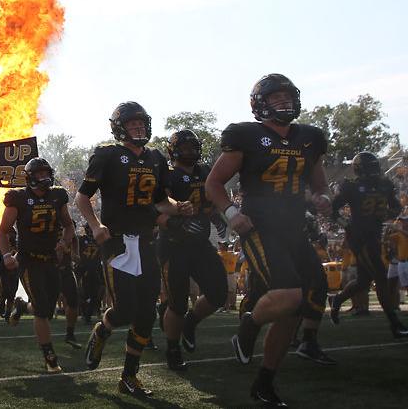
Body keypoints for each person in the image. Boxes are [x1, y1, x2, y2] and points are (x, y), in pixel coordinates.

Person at [205, 74, 333, 408]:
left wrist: (323, 197)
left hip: (294, 228)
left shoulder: (309, 138)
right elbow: (214, 183)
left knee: (295, 306)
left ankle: (264, 384)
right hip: (259, 227)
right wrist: (231, 213)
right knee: (289, 294)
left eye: (287, 97)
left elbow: (320, 184)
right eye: (276, 98)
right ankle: (249, 325)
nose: (284, 102)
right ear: (260, 104)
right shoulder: (246, 135)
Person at [76, 102, 193, 397]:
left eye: (142, 123)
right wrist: (95, 225)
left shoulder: (155, 158)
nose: (139, 128)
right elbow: (82, 198)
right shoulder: (107, 154)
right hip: (116, 241)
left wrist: (179, 207)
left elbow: (161, 201)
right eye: (132, 124)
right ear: (120, 128)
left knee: (147, 314)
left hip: (145, 242)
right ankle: (102, 330)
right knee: (125, 309)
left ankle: (129, 376)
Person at [156, 130, 229, 372]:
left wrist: (217, 216)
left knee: (218, 293)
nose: (190, 152)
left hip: (199, 245)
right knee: (177, 304)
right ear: (174, 151)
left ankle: (191, 322)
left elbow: (210, 201)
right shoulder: (167, 174)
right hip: (173, 245)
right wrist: (175, 223)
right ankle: (173, 349)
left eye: (193, 147)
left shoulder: (205, 171)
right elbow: (155, 209)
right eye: (185, 148)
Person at [0, 157, 76, 373]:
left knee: (47, 309)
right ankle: (49, 355)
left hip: (51, 259)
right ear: (30, 177)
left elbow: (69, 225)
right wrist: (6, 255)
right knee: (42, 310)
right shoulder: (19, 198)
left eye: (46, 173)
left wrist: (64, 242)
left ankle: (23, 307)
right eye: (39, 174)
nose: (44, 177)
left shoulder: (58, 195)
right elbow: (2, 231)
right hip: (28, 260)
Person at [329, 152, 408, 336]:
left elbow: (396, 207)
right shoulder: (352, 187)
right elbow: (333, 209)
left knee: (363, 281)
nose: (373, 171)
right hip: (359, 237)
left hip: (374, 236)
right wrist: (346, 224)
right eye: (370, 167)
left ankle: (337, 299)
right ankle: (394, 323)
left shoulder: (385, 185)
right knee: (380, 275)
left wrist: (386, 215)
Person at [55, 229, 81, 348]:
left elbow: (77, 259)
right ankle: (23, 306)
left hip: (67, 270)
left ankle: (70, 333)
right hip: (51, 270)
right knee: (44, 307)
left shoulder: (70, 232)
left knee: (74, 302)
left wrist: (71, 252)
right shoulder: (48, 229)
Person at [0, 228, 19, 322]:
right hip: (4, 271)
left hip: (15, 272)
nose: (12, 236)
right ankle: (2, 304)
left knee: (12, 293)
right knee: (5, 291)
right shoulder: (1, 243)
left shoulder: (17, 244)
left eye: (13, 234)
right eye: (10, 234)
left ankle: (8, 313)